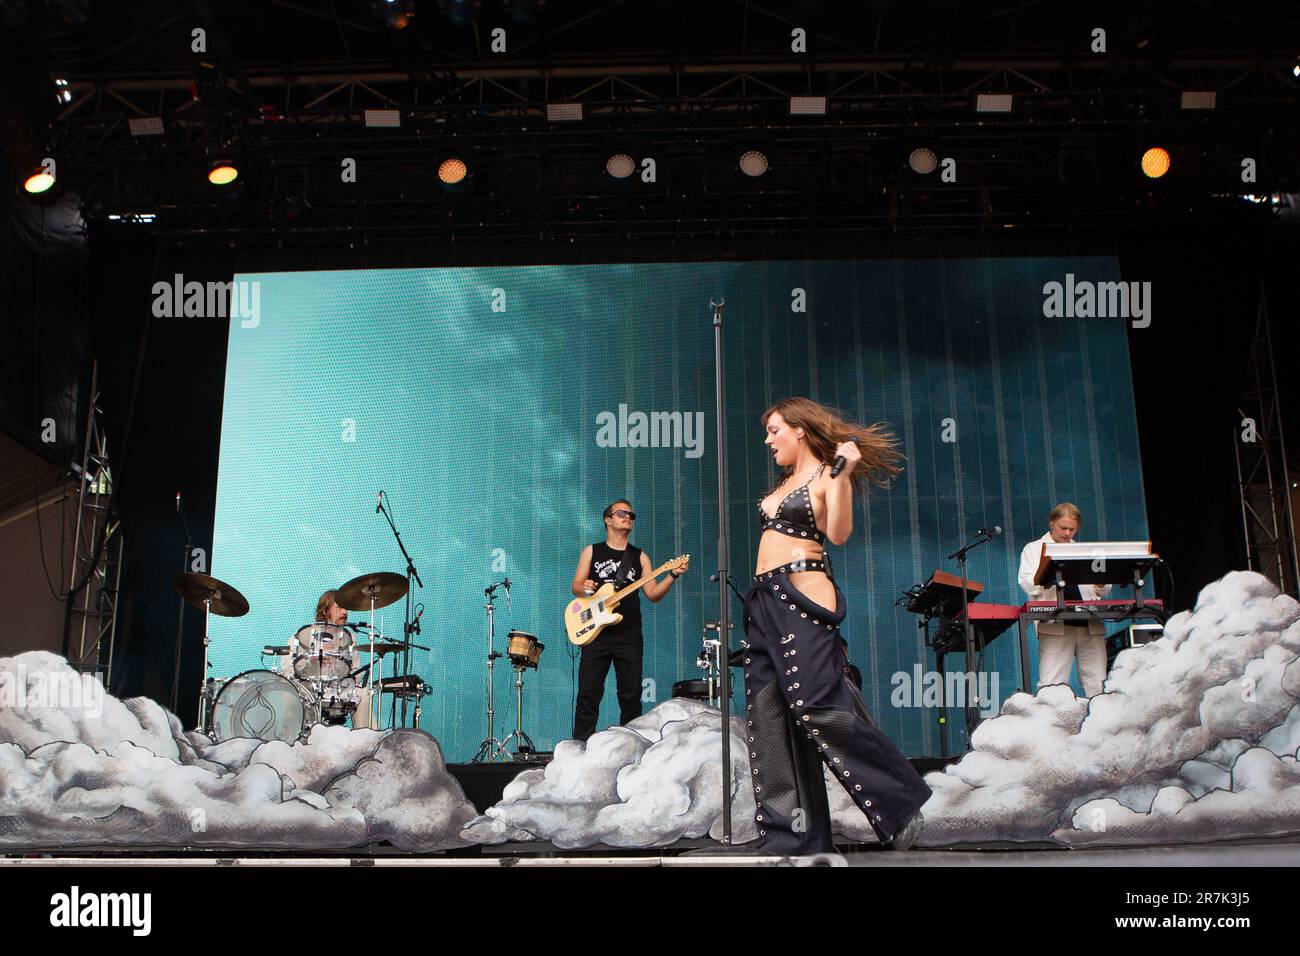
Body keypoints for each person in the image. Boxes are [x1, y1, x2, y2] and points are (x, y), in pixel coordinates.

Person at [744, 397, 930, 854]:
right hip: (763, 601)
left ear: (800, 430)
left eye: (774, 430)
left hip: (801, 599)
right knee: (769, 718)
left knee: (817, 705)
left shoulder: (828, 476)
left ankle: (899, 803)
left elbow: (839, 533)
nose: (768, 440)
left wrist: (844, 476)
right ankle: (792, 837)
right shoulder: (785, 483)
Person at [570, 499, 689, 742]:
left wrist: (672, 576)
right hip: (597, 633)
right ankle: (580, 746)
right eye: (623, 513)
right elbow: (576, 586)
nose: (628, 518)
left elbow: (653, 594)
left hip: (629, 634)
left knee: (631, 694)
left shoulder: (639, 557)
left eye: (632, 516)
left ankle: (632, 746)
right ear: (608, 519)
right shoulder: (592, 551)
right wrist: (585, 587)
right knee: (589, 693)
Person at [1017, 502, 1112, 697]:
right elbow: (1026, 583)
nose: (1068, 533)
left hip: (1089, 623)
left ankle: (1099, 724)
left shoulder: (1086, 550)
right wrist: (1047, 574)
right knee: (1052, 687)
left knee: (1098, 684)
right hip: (1054, 623)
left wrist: (1102, 584)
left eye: (1072, 529)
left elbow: (1102, 591)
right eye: (1063, 528)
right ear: (1052, 522)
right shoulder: (1033, 549)